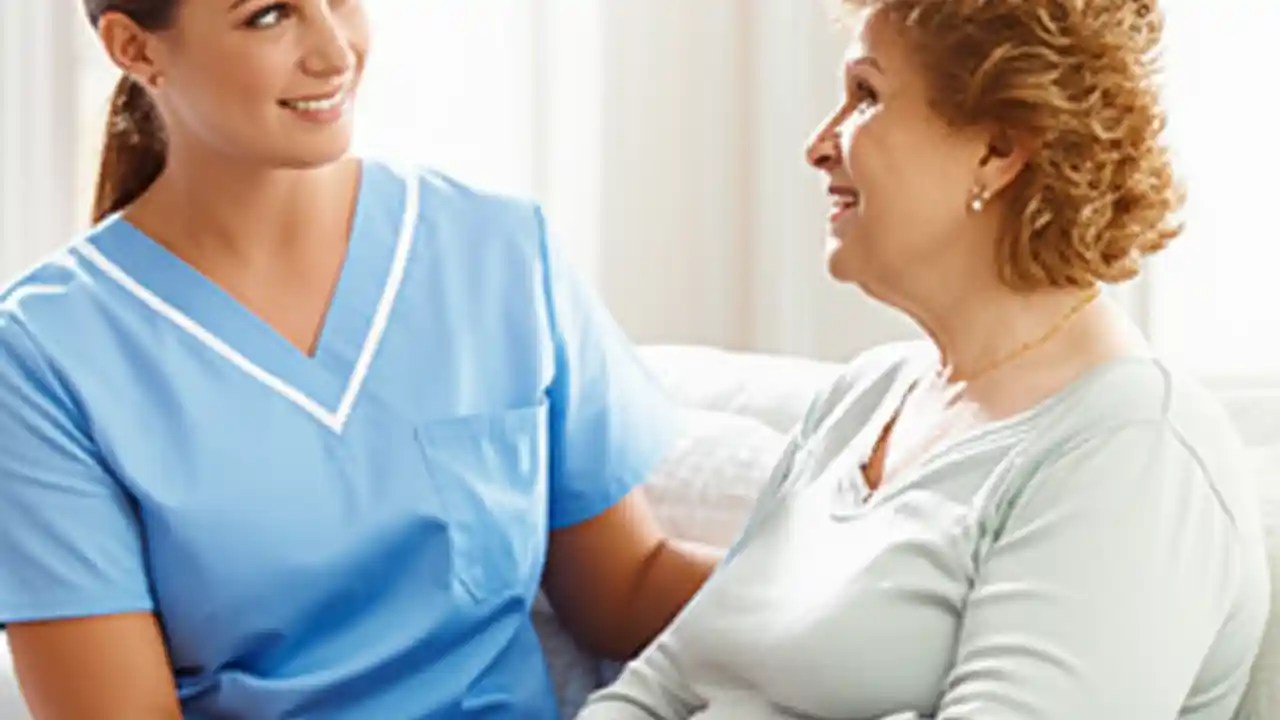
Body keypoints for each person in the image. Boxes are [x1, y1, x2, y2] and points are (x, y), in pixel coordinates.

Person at [0, 1, 719, 717]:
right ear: (135, 47)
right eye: (269, 16)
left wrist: (822, 593)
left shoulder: (496, 249)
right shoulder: (44, 355)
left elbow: (624, 591)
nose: (335, 53)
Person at [578, 1, 1270, 717]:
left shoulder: (1133, 449)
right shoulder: (867, 396)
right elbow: (659, 685)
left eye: (866, 97)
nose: (818, 145)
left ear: (998, 149)